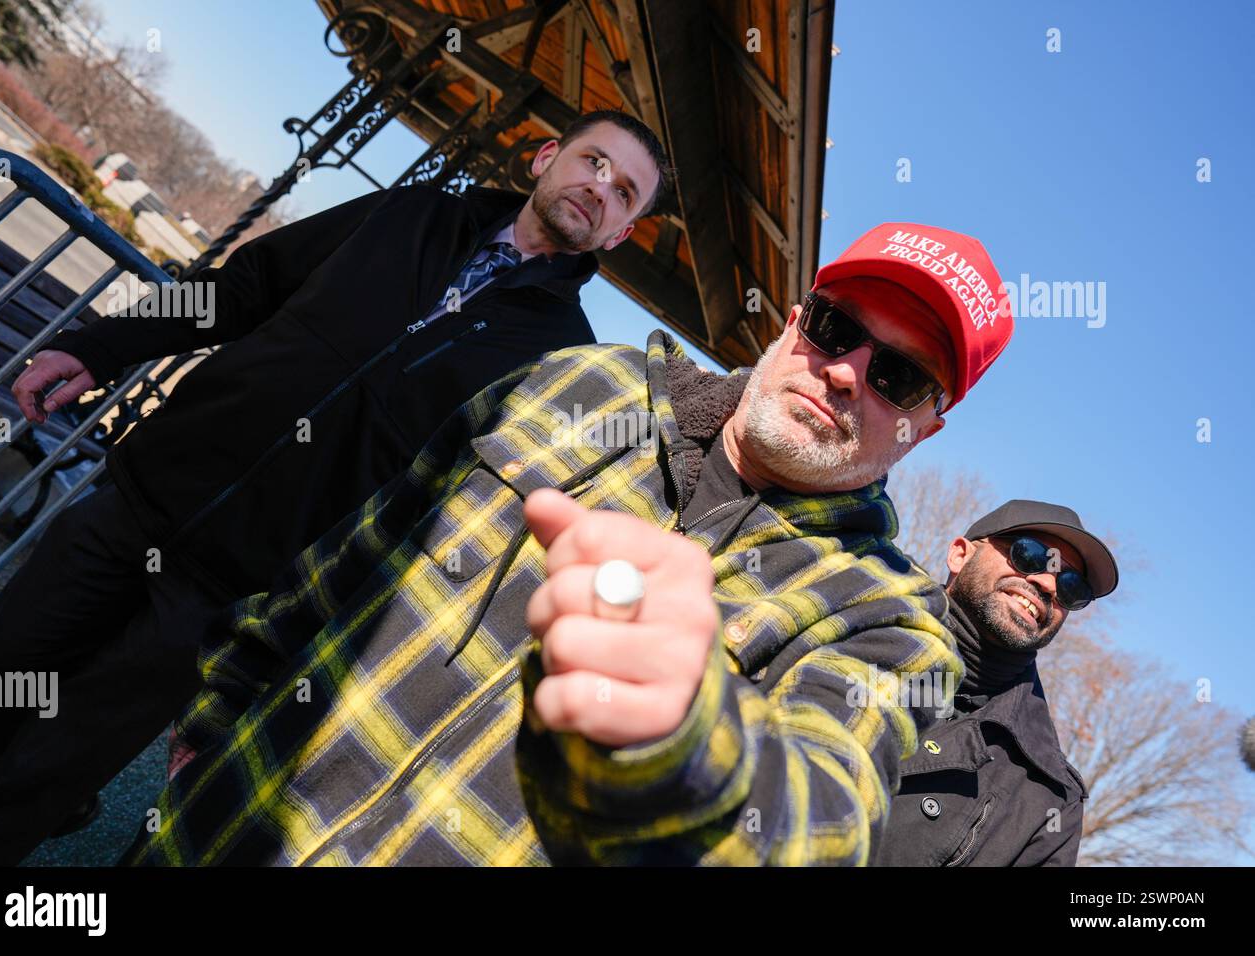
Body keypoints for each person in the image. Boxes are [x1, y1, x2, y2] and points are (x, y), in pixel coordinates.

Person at [123, 222, 1015, 866]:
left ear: (924, 431)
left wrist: (686, 734)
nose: (846, 371)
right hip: (217, 832)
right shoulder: (581, 383)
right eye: (834, 328)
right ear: (791, 325)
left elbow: (822, 828)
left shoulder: (888, 624)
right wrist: (211, 720)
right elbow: (348, 557)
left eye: (898, 376)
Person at [0, 110, 672, 866]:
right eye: (594, 162)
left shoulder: (560, 358)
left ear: (622, 233)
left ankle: (27, 808)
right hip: (154, 490)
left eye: (625, 193)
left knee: (57, 758)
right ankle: (57, 801)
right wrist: (98, 346)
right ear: (545, 157)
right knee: (5, 658)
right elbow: (244, 286)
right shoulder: (410, 212)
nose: (601, 189)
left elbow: (446, 510)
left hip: (243, 590)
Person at [873, 500, 1117, 866]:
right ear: (960, 555)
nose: (1047, 583)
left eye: (1071, 586)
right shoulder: (848, 614)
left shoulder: (1050, 797)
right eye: (1030, 554)